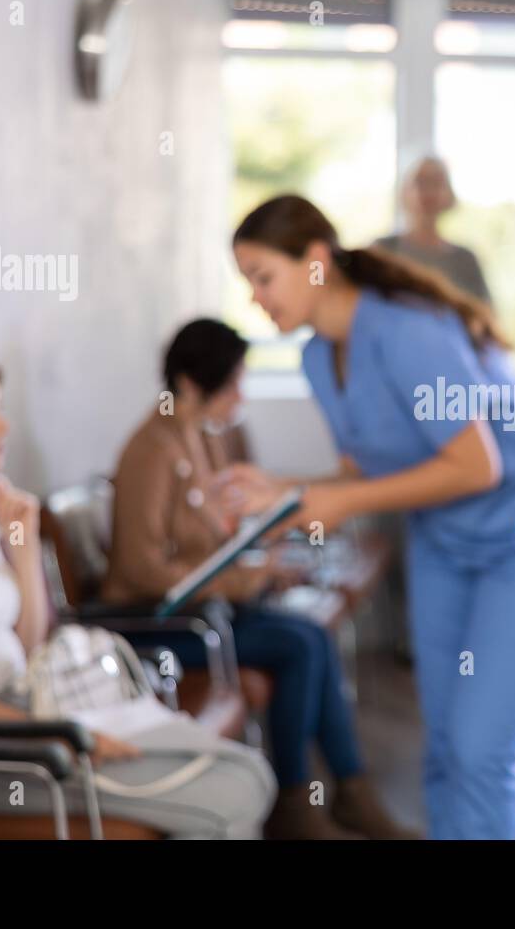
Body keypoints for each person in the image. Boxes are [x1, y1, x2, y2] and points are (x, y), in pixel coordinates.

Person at [0, 355, 277, 838]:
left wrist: (22, 548)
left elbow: (28, 645)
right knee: (240, 791)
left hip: (39, 711)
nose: (2, 426)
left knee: (246, 772)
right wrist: (57, 734)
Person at [230, 195, 515, 839]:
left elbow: (476, 467)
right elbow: (369, 464)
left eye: (263, 277)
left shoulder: (409, 332)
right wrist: (283, 489)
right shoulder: (318, 357)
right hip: (443, 539)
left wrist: (337, 502)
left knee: (478, 751)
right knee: (442, 745)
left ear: (316, 262)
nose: (256, 298)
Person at [101, 318, 415, 840]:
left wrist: (262, 565)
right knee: (298, 646)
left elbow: (207, 544)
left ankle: (346, 792)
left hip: (207, 611)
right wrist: (241, 580)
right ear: (189, 384)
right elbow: (143, 568)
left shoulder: (200, 439)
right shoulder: (151, 450)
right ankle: (298, 804)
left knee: (312, 634)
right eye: (231, 384)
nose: (240, 396)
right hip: (161, 626)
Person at [374, 156, 493, 306]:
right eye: (420, 181)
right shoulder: (383, 251)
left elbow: (484, 317)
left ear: (449, 194)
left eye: (436, 182)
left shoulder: (465, 260)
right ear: (404, 191)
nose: (428, 191)